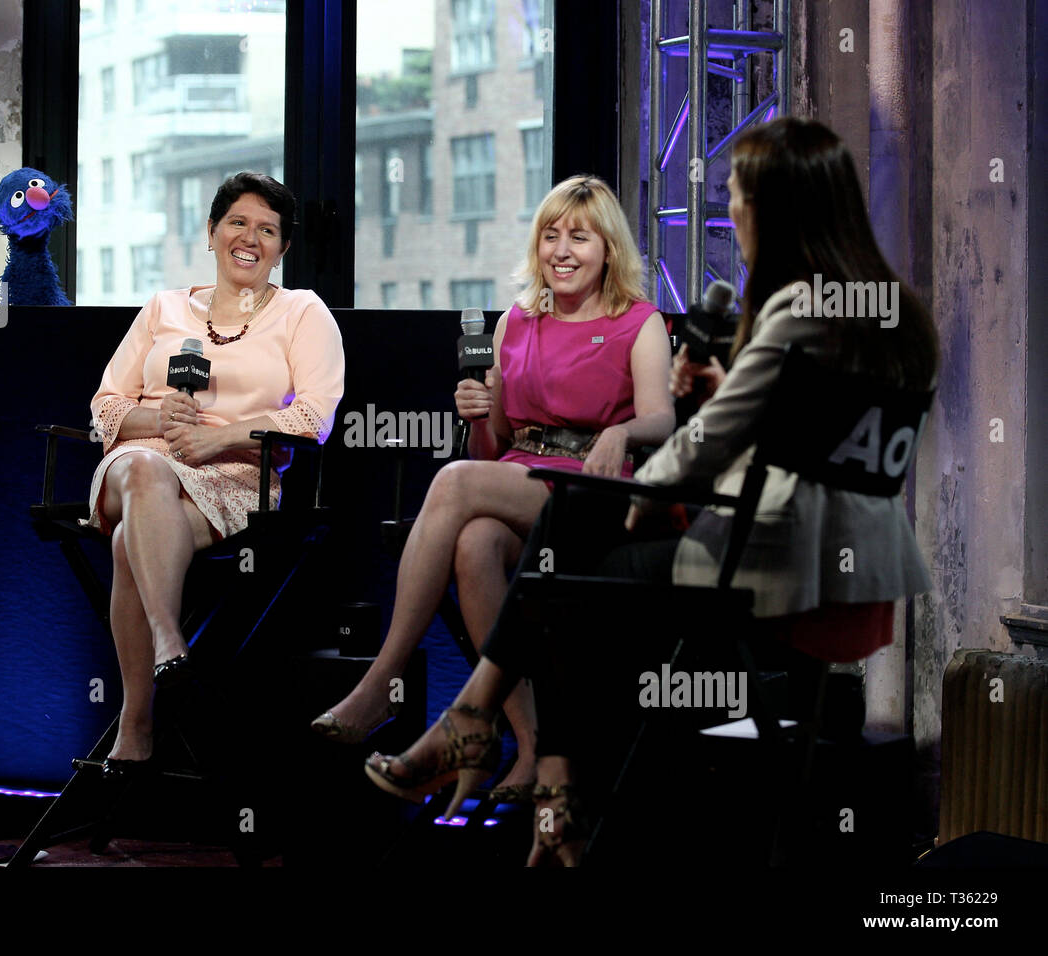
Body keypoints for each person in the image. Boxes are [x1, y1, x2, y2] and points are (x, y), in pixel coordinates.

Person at [365, 117, 940, 865]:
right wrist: (726, 387)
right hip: (863, 581)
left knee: (566, 567)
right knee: (563, 545)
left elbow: (700, 452)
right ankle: (542, 778)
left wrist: (640, 497)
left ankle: (508, 745)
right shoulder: (901, 319)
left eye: (737, 195)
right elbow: (815, 442)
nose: (730, 211)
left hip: (777, 576)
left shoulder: (796, 313)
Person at [313, 175, 675, 806]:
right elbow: (494, 448)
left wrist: (623, 430)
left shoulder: (637, 323)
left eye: (579, 238)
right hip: (518, 478)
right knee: (475, 542)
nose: (561, 251)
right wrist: (480, 411)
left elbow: (664, 419)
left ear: (608, 249)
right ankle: (526, 745)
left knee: (453, 482)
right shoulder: (516, 322)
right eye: (550, 236)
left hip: (595, 495)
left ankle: (381, 680)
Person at [85, 172, 345, 775]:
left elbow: (314, 417)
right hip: (137, 462)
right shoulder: (164, 308)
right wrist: (156, 413)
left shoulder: (302, 312)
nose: (249, 237)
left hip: (234, 479)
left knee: (130, 541)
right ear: (211, 232)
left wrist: (220, 436)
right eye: (237, 222)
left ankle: (137, 720)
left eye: (267, 229)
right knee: (148, 466)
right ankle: (170, 642)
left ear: (282, 247)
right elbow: (104, 405)